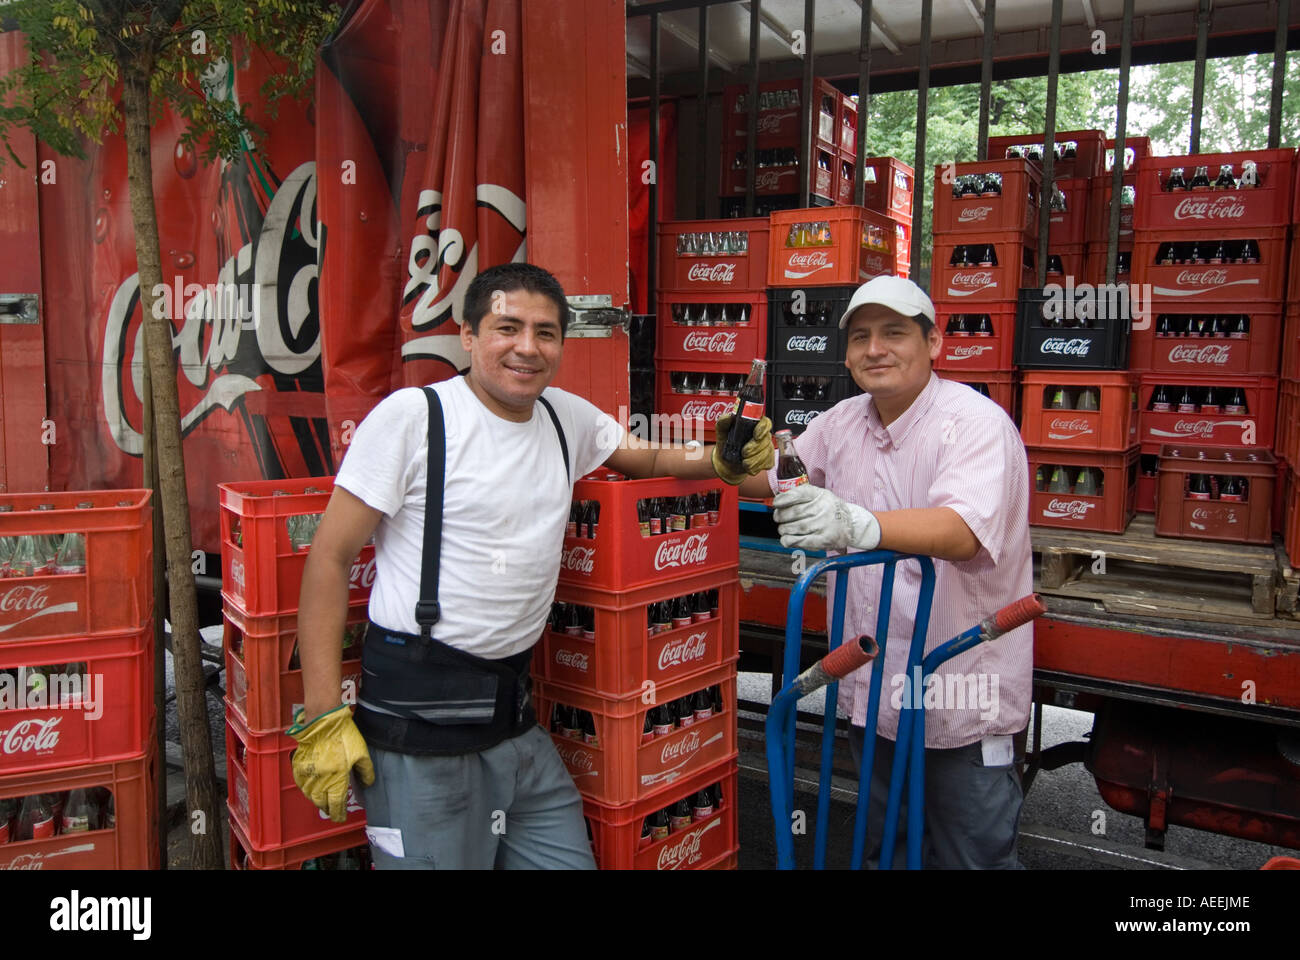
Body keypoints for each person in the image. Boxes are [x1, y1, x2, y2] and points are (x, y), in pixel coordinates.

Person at [286, 262, 773, 870]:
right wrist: (325, 713)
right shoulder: (414, 418)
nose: (527, 347)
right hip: (421, 730)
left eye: (545, 332)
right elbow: (329, 560)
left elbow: (645, 459)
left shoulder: (562, 415)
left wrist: (725, 458)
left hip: (515, 727)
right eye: (506, 327)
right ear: (468, 336)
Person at [735, 275, 1033, 869]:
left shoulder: (974, 423)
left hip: (957, 692)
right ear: (846, 354)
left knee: (968, 856)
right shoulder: (843, 421)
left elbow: (961, 530)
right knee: (887, 849)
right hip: (874, 687)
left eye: (894, 333)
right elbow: (762, 483)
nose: (876, 349)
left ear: (934, 343)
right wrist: (731, 455)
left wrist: (855, 524)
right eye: (862, 336)